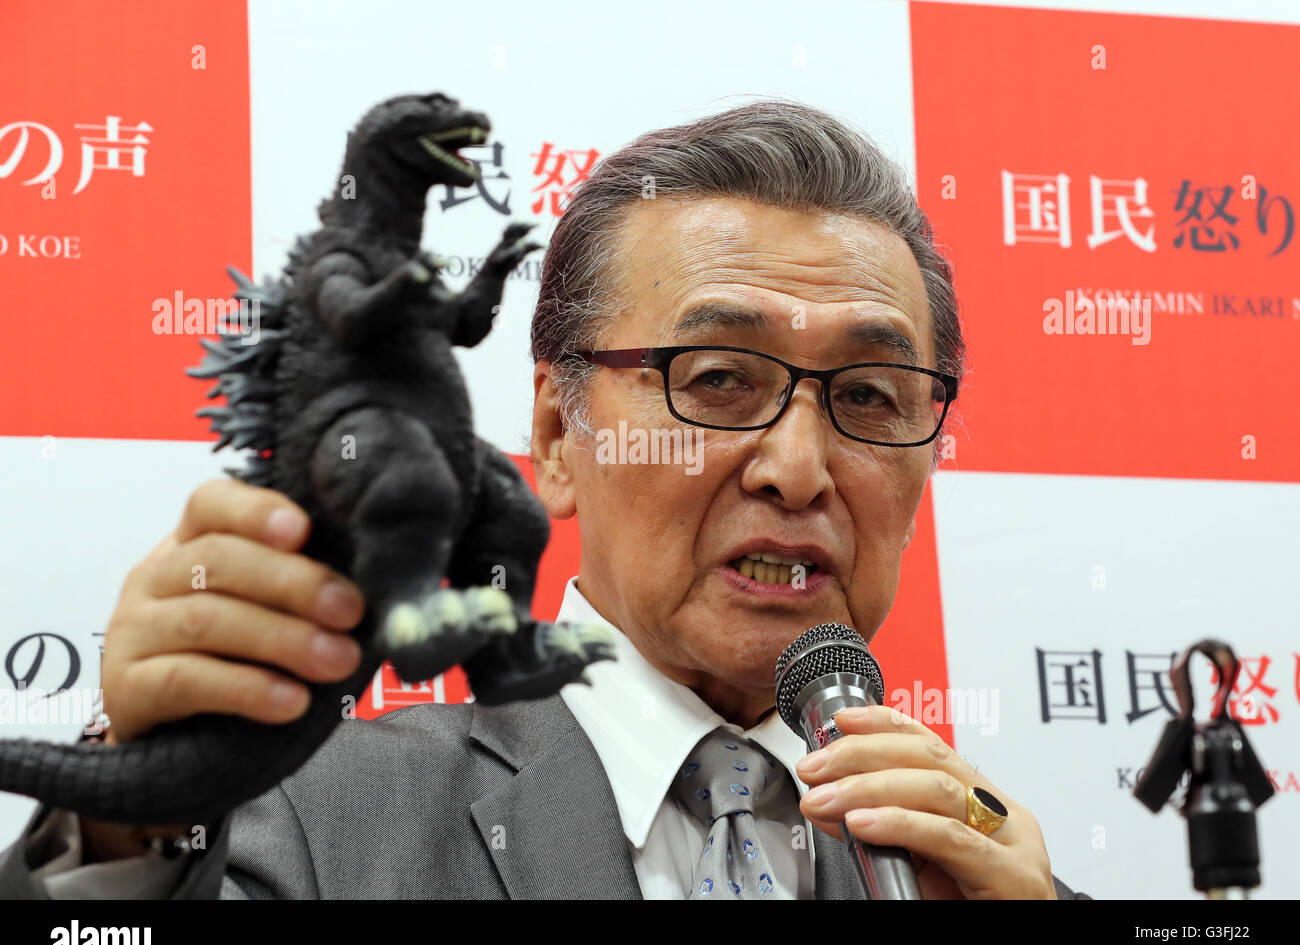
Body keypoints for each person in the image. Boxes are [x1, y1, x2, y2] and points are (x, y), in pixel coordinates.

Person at [0, 99, 1085, 899]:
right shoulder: (306, 815)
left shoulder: (971, 867)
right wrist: (124, 823)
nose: (796, 468)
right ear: (559, 438)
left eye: (866, 395)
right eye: (716, 380)